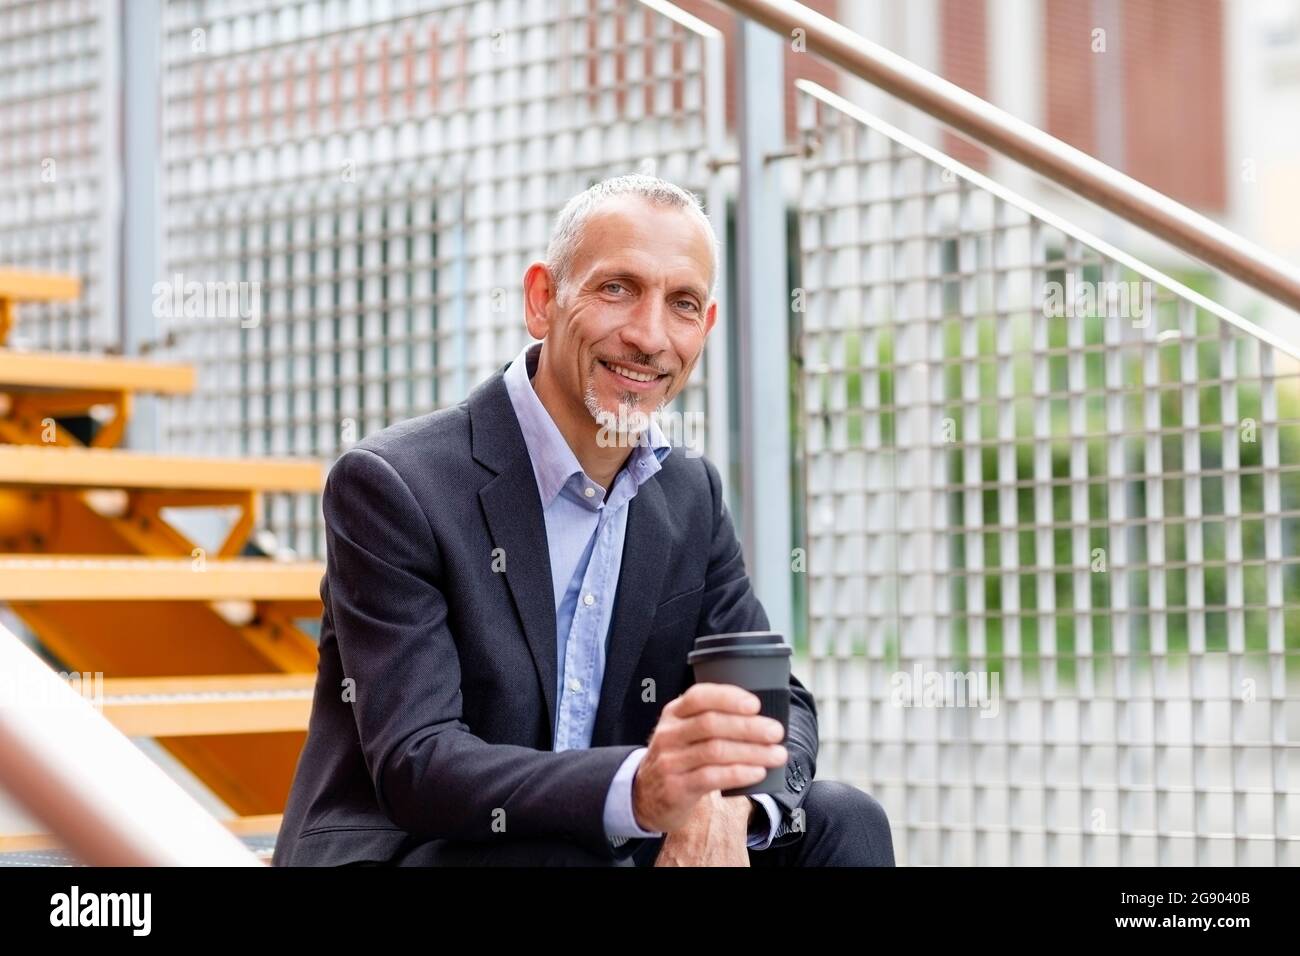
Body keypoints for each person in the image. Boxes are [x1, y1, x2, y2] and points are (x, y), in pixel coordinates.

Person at [272, 174, 894, 867]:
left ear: (705, 328)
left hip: (604, 844)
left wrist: (728, 803)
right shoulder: (394, 485)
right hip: (427, 846)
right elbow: (419, 763)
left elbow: (774, 703)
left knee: (845, 821)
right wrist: (640, 790)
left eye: (682, 304)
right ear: (542, 300)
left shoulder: (689, 492)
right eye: (617, 289)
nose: (649, 336)